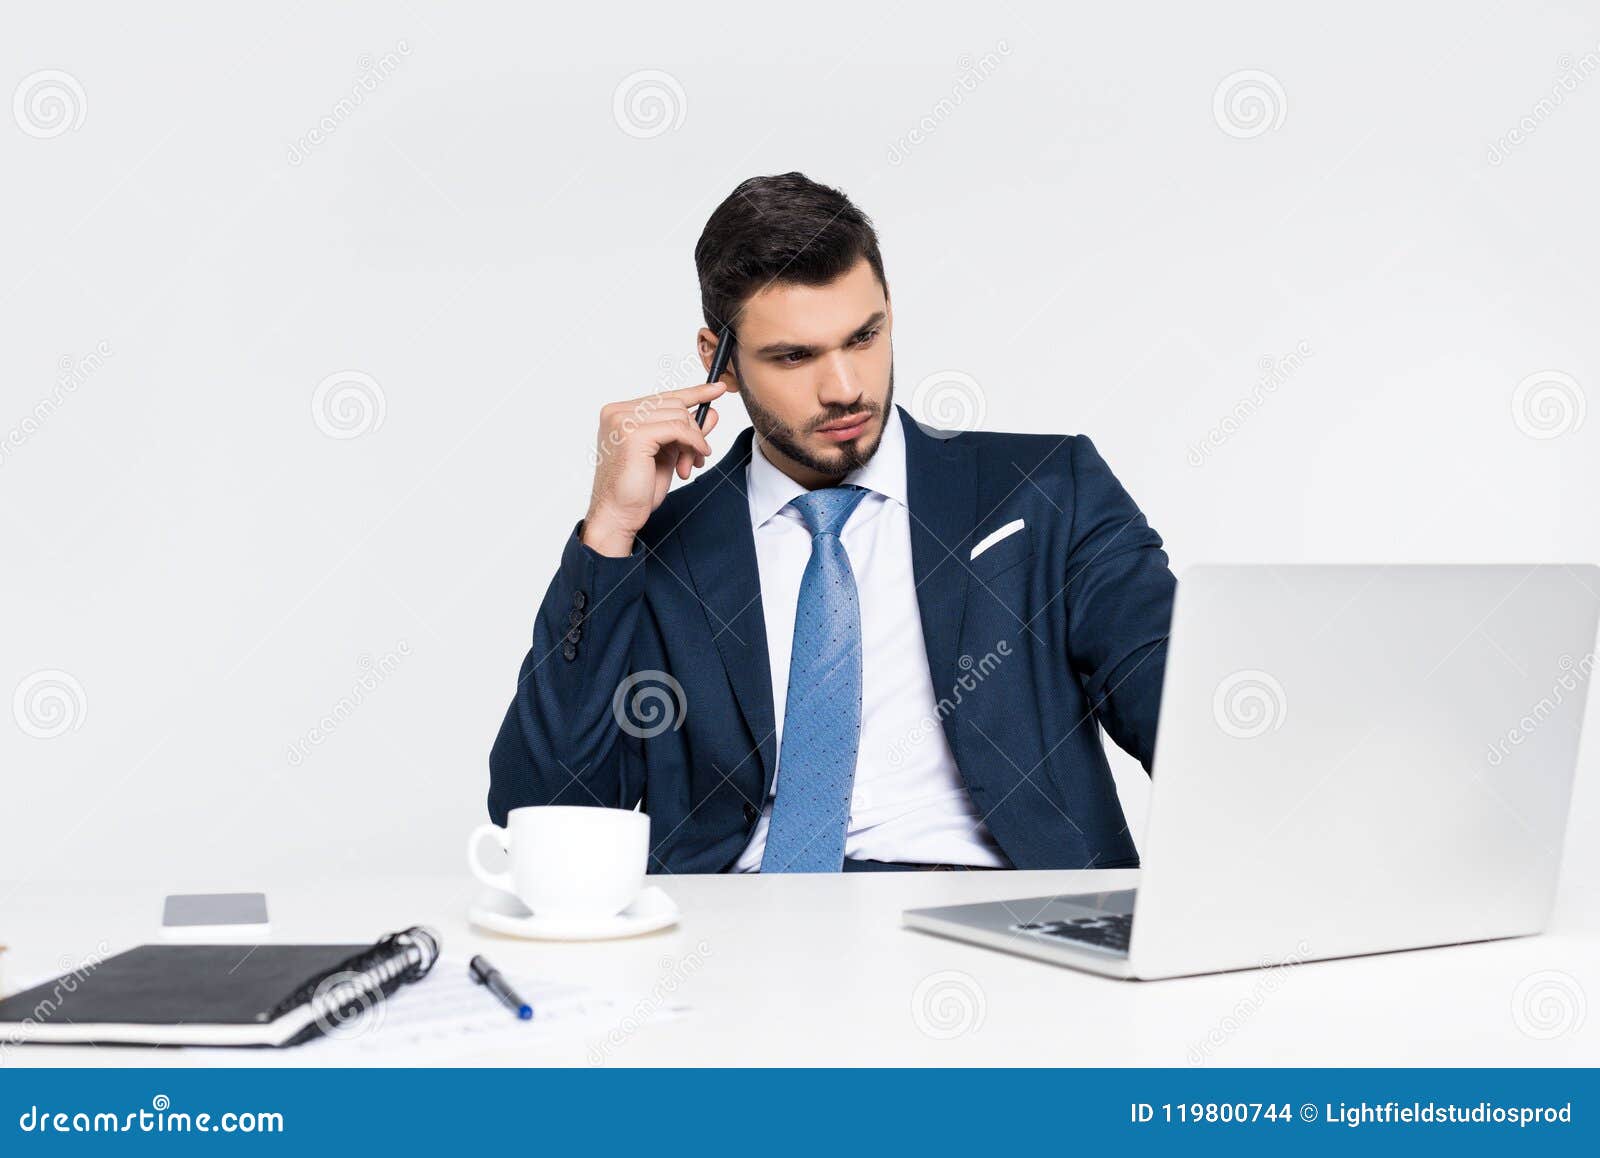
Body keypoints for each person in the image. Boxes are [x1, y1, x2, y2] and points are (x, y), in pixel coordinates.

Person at [488, 172, 1176, 873]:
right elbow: (545, 812)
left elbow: (1183, 712)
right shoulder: (661, 548)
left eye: (863, 338)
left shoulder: (1045, 491)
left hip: (994, 916)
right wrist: (607, 533)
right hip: (734, 932)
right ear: (716, 359)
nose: (845, 387)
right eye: (794, 356)